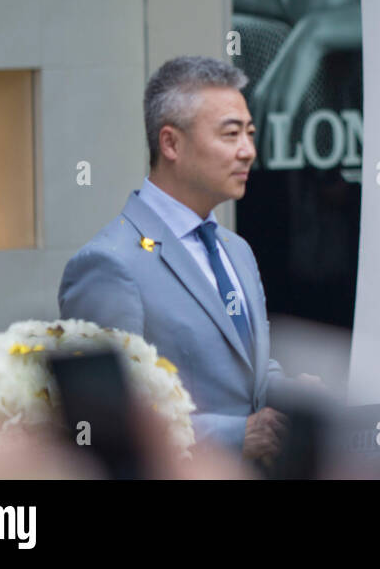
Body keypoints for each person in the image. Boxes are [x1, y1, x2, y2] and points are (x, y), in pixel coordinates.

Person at [59, 56, 288, 463]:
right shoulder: (108, 264)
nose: (248, 151)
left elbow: (251, 368)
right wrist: (236, 436)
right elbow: (104, 417)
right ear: (170, 144)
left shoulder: (237, 250)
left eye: (250, 134)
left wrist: (296, 397)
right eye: (231, 134)